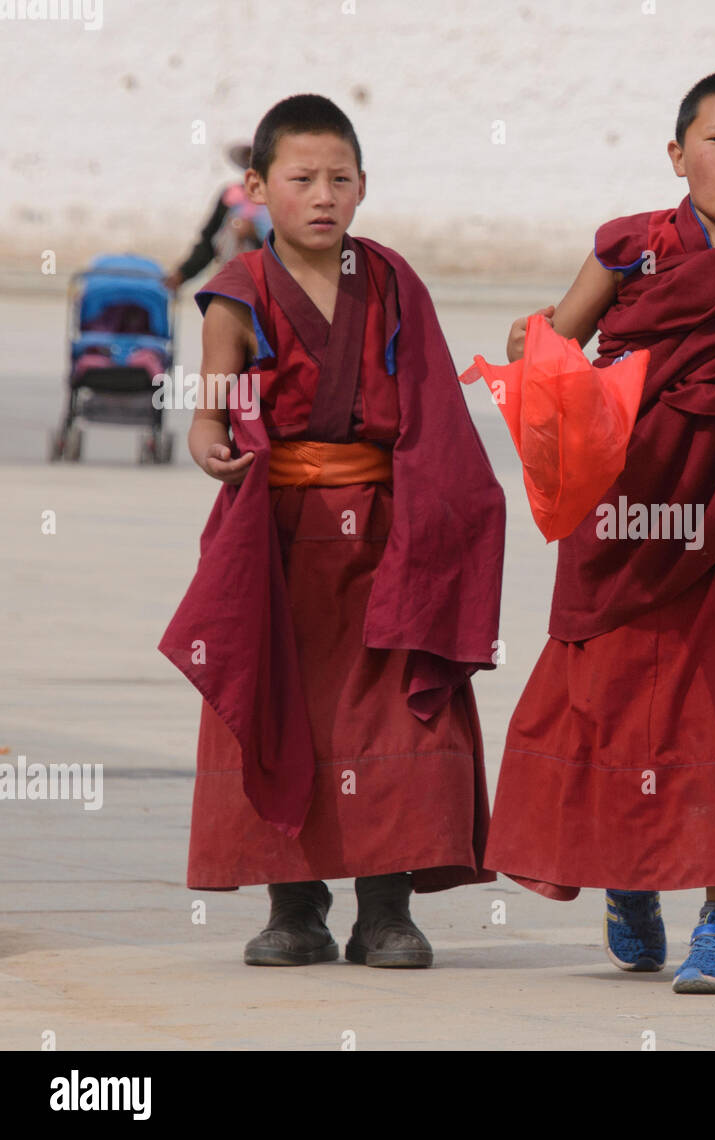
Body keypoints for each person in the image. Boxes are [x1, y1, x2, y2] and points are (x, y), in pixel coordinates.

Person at [483, 70, 715, 994]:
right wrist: (538, 359)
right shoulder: (628, 250)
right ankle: (627, 877)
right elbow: (555, 347)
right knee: (610, 705)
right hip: (627, 511)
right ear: (677, 153)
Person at [158, 94, 507, 968]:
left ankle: (386, 909)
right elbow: (216, 411)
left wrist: (444, 522)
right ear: (256, 188)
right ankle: (295, 909)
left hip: (390, 536)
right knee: (285, 710)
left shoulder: (388, 282)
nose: (322, 196)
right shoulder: (238, 293)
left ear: (363, 188)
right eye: (301, 178)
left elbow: (432, 407)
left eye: (339, 179)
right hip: (279, 540)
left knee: (396, 715)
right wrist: (210, 447)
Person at [164, 142, 271, 292]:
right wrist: (182, 274)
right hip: (232, 279)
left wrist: (254, 232)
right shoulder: (230, 197)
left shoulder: (276, 200)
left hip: (267, 282)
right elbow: (208, 241)